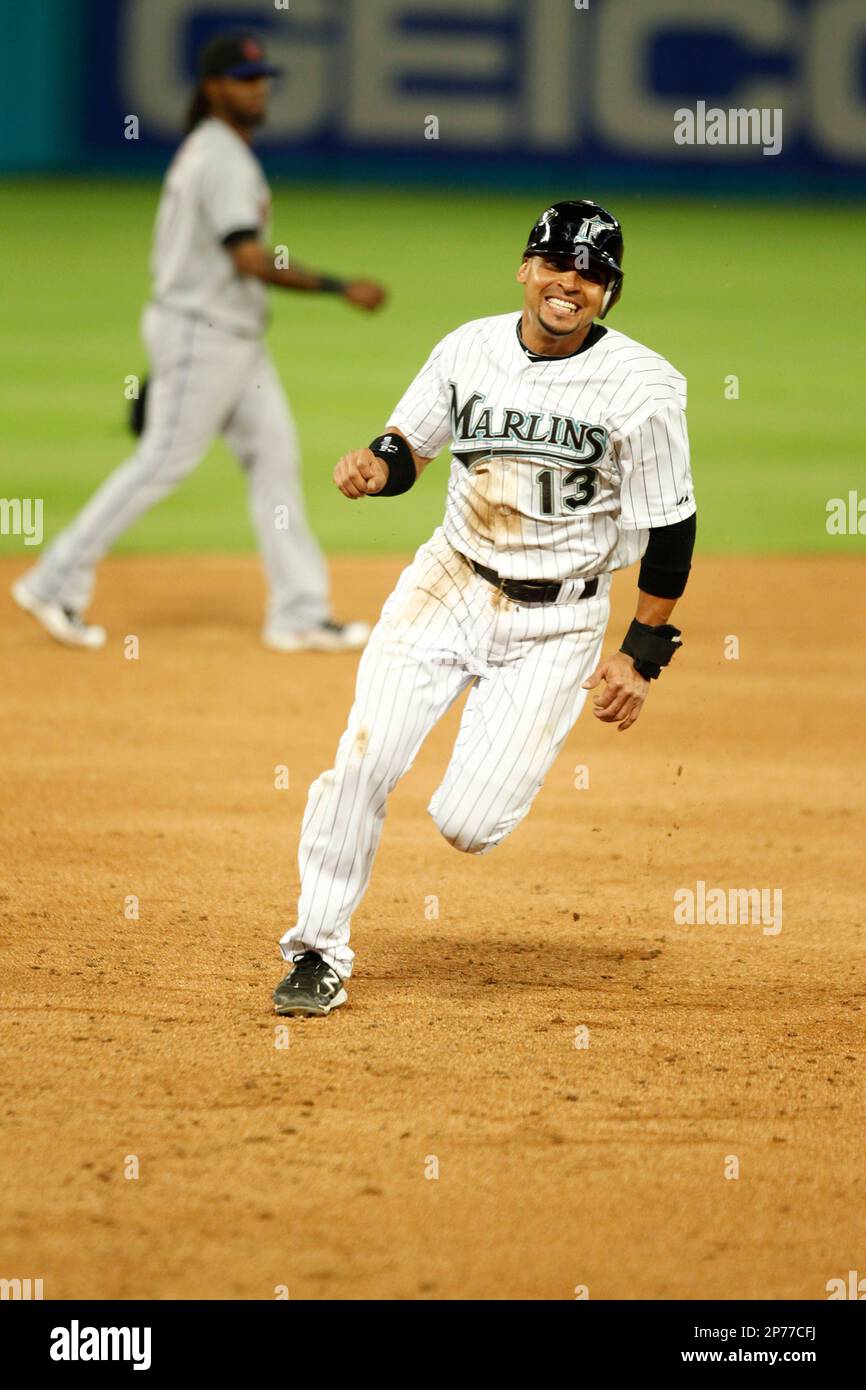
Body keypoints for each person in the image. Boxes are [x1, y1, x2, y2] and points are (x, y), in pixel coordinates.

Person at [272, 199, 697, 1017]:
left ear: (609, 292)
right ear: (526, 268)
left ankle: (468, 794)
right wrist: (375, 465)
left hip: (560, 622)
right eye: (558, 263)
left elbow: (672, 527)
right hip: (449, 586)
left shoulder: (644, 387)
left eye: (593, 273)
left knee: (470, 824)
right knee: (361, 760)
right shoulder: (468, 348)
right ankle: (317, 949)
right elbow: (410, 447)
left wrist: (641, 655)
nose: (571, 282)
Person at [12, 30, 386, 653]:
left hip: (228, 338)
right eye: (245, 78)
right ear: (213, 87)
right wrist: (340, 287)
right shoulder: (218, 157)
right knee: (162, 461)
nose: (258, 87)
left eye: (263, 77)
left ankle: (298, 610)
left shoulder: (219, 152)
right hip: (202, 334)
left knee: (275, 461)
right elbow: (248, 258)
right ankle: (54, 581)